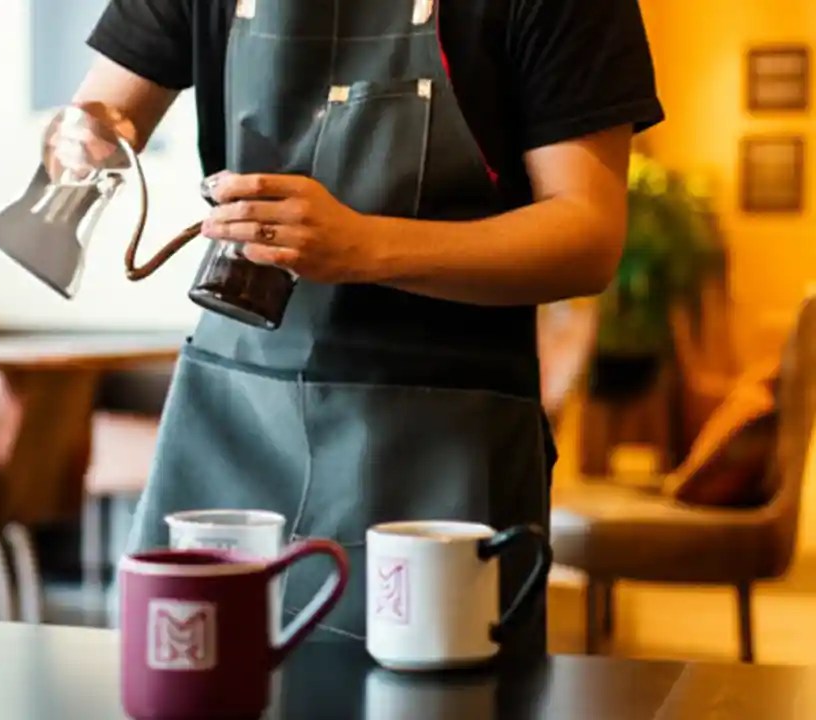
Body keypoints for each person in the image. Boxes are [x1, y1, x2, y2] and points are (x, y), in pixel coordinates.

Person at [65, 0, 664, 661]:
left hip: (444, 442)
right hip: (228, 423)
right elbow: (102, 112)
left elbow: (586, 235)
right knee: (194, 685)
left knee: (438, 698)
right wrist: (78, 141)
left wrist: (366, 247)